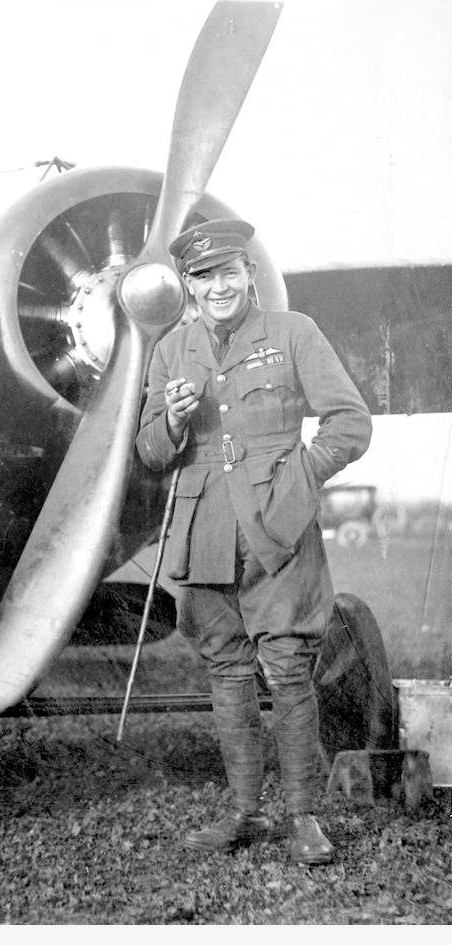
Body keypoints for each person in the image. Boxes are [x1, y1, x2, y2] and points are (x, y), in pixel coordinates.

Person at [135, 219, 372, 865]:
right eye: (203, 276)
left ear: (249, 274)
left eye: (229, 272)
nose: (218, 286)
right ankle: (244, 812)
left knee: (290, 669)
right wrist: (175, 419)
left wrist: (299, 477)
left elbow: (350, 423)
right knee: (227, 672)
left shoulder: (294, 332)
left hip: (278, 524)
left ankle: (303, 817)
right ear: (187, 283)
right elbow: (150, 451)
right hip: (202, 526)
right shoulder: (170, 349)